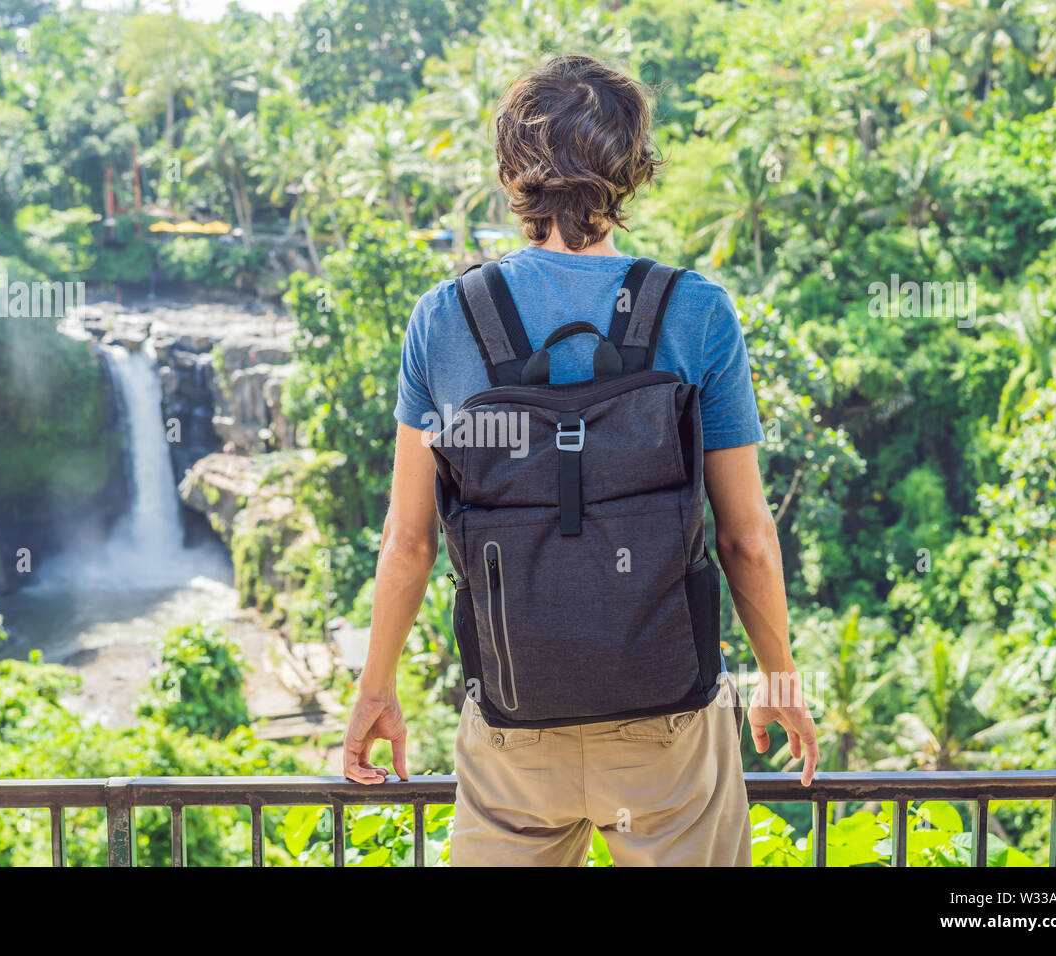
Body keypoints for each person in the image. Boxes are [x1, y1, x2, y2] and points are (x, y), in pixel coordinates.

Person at [342, 53, 818, 866]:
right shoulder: (695, 311)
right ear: (632, 171)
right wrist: (779, 677)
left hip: (513, 728)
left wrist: (375, 690)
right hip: (667, 731)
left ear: (509, 171)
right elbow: (746, 538)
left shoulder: (445, 320)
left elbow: (409, 542)